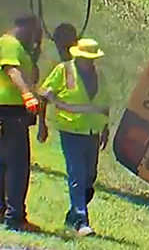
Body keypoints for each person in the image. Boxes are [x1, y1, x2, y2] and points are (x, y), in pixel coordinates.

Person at [38, 38, 111, 236]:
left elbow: (104, 102)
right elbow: (44, 95)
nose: (89, 62)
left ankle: (72, 216)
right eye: (86, 58)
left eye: (92, 59)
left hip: (92, 132)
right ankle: (81, 221)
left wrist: (105, 127)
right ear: (77, 56)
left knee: (89, 178)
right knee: (77, 175)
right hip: (70, 131)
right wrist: (42, 125)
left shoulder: (100, 75)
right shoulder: (64, 70)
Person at [0, 14, 44, 232]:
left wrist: (34, 54)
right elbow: (12, 70)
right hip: (8, 110)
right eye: (35, 31)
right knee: (17, 164)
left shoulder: (20, 48)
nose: (35, 36)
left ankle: (2, 212)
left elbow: (31, 75)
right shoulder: (9, 43)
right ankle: (15, 217)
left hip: (1, 109)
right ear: (24, 26)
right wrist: (27, 95)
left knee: (4, 163)